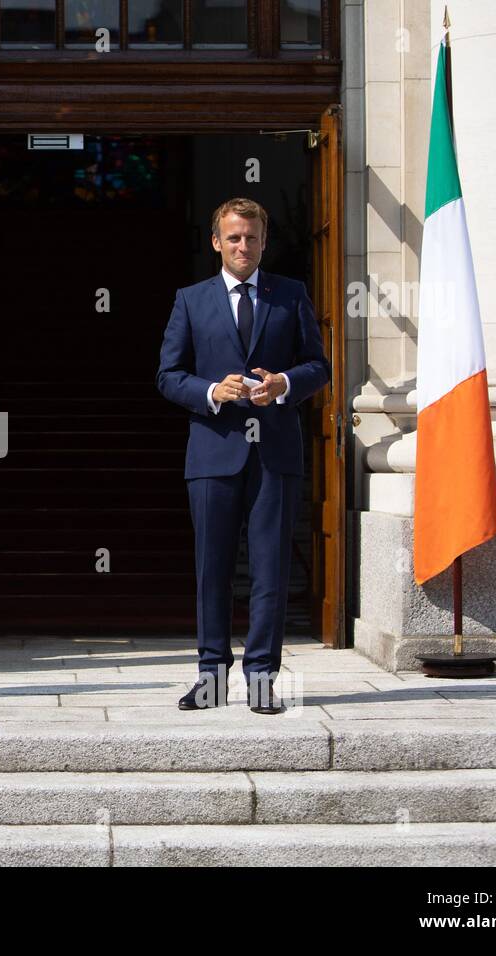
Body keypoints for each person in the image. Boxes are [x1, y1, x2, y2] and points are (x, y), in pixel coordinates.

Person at [156, 198, 330, 714]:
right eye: (233, 237)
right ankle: (210, 676)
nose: (243, 246)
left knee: (270, 570)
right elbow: (167, 376)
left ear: (263, 242)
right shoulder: (191, 300)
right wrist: (213, 391)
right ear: (217, 242)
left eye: (252, 238)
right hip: (214, 453)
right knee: (212, 570)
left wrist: (283, 384)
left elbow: (318, 366)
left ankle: (261, 677)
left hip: (275, 455)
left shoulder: (290, 295)